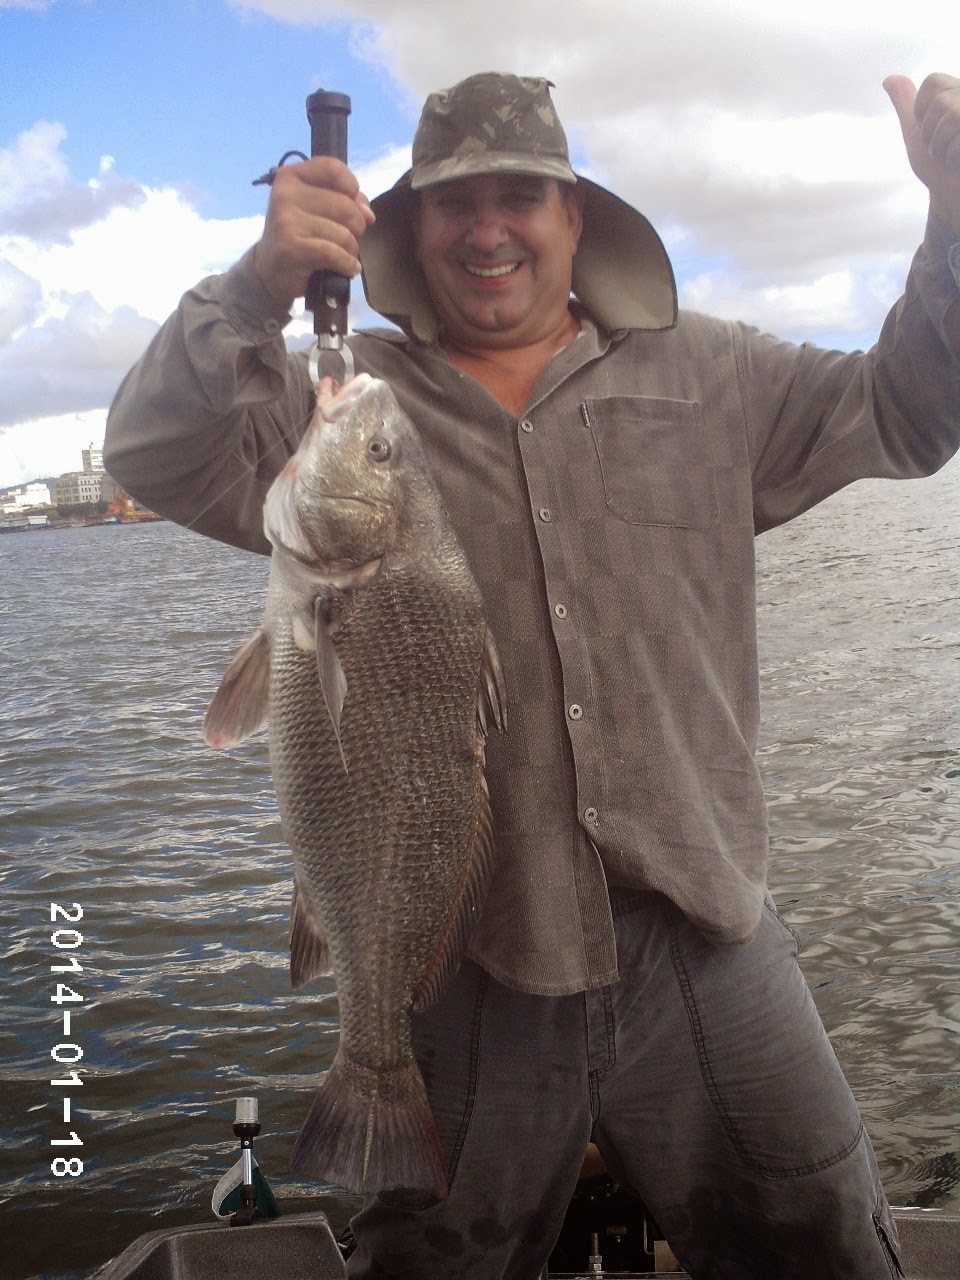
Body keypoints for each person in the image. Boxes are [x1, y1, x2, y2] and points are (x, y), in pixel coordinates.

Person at [105, 71, 960, 1279]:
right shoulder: (347, 413)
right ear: (410, 233)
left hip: (706, 933)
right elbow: (150, 447)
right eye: (454, 202)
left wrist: (955, 216)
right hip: (463, 951)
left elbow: (915, 407)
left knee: (823, 1241)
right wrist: (254, 288)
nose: (489, 227)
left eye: (523, 197)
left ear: (575, 220)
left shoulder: (717, 375)